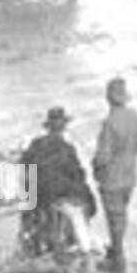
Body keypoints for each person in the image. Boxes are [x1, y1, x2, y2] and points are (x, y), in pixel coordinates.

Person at [20, 107, 99, 256]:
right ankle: (78, 243)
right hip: (61, 194)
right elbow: (78, 175)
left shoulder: (35, 145)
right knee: (79, 205)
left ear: (48, 127)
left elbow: (25, 169)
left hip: (41, 197)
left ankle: (37, 244)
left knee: (34, 212)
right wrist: (90, 199)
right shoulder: (67, 149)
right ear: (64, 127)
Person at [92, 78, 137, 273]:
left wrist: (96, 167)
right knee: (121, 214)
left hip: (112, 179)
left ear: (108, 98)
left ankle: (118, 257)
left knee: (114, 218)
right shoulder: (136, 117)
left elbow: (103, 156)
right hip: (129, 176)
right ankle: (116, 249)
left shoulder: (109, 123)